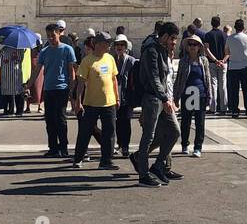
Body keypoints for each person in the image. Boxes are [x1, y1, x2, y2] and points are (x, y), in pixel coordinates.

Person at [131, 21, 181, 187]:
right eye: (172, 38)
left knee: (174, 131)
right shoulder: (151, 50)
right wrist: (165, 98)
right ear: (165, 36)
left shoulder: (161, 49)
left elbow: (165, 77)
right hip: (153, 99)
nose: (174, 42)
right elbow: (154, 78)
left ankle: (158, 165)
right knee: (148, 137)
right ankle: (143, 175)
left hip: (162, 98)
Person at [72, 32, 119, 169]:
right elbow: (80, 83)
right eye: (107, 43)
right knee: (85, 132)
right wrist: (78, 101)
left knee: (109, 133)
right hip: (91, 103)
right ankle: (78, 159)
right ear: (97, 44)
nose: (109, 46)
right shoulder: (87, 60)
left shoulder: (110, 58)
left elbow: (114, 79)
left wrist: (117, 97)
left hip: (108, 102)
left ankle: (106, 161)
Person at [34, 23, 76, 158]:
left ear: (59, 34)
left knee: (61, 118)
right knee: (50, 120)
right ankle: (53, 147)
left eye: (53, 35)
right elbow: (37, 70)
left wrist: (72, 88)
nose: (51, 38)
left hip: (62, 88)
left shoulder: (67, 49)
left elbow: (71, 70)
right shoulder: (44, 52)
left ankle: (63, 147)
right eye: (48, 36)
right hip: (48, 89)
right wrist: (28, 85)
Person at [176, 33, 212, 155]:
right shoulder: (183, 61)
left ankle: (198, 147)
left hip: (200, 93)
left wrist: (209, 95)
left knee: (200, 122)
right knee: (185, 121)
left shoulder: (204, 61)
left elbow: (207, 78)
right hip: (187, 94)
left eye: (195, 44)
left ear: (199, 47)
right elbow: (179, 79)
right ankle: (185, 144)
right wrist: (176, 97)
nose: (192, 47)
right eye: (190, 44)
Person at [225, 18, 247, 119]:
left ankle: (234, 110)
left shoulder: (230, 38)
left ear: (235, 27)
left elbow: (227, 52)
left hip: (233, 66)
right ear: (243, 27)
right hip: (245, 66)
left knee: (234, 90)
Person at [204, 15, 228, 116]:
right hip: (223, 63)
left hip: (212, 62)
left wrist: (215, 60)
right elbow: (228, 50)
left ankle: (213, 107)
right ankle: (223, 108)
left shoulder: (208, 35)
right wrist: (223, 60)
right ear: (219, 24)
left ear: (211, 23)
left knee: (213, 85)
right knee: (223, 85)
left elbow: (207, 49)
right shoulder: (224, 35)